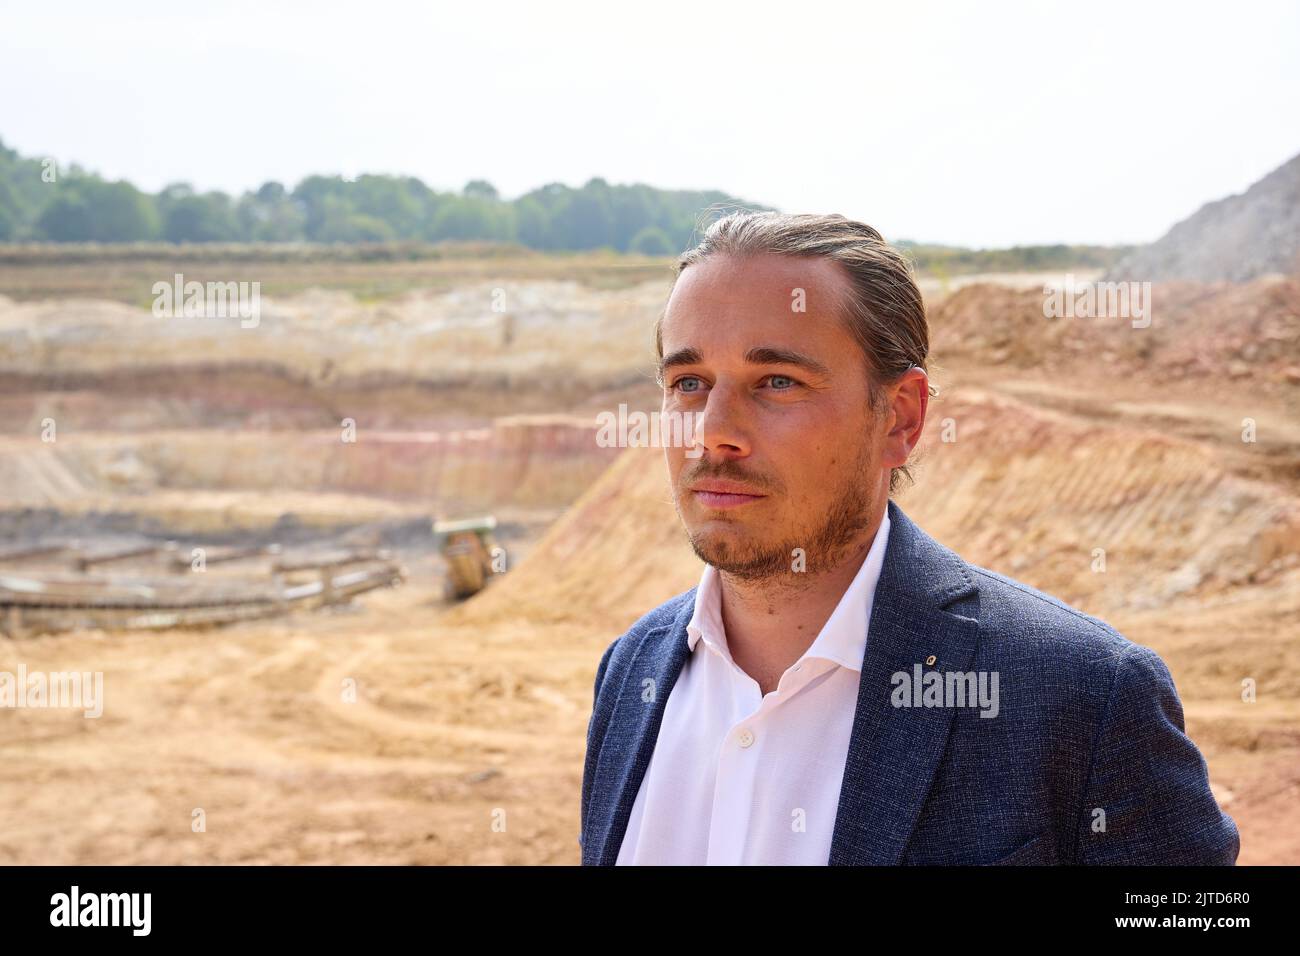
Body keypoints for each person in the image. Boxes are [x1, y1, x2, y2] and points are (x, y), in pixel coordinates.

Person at [579, 211, 1240, 865]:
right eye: (688, 383)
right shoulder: (631, 673)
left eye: (777, 382)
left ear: (900, 418)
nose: (712, 430)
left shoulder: (1082, 699)